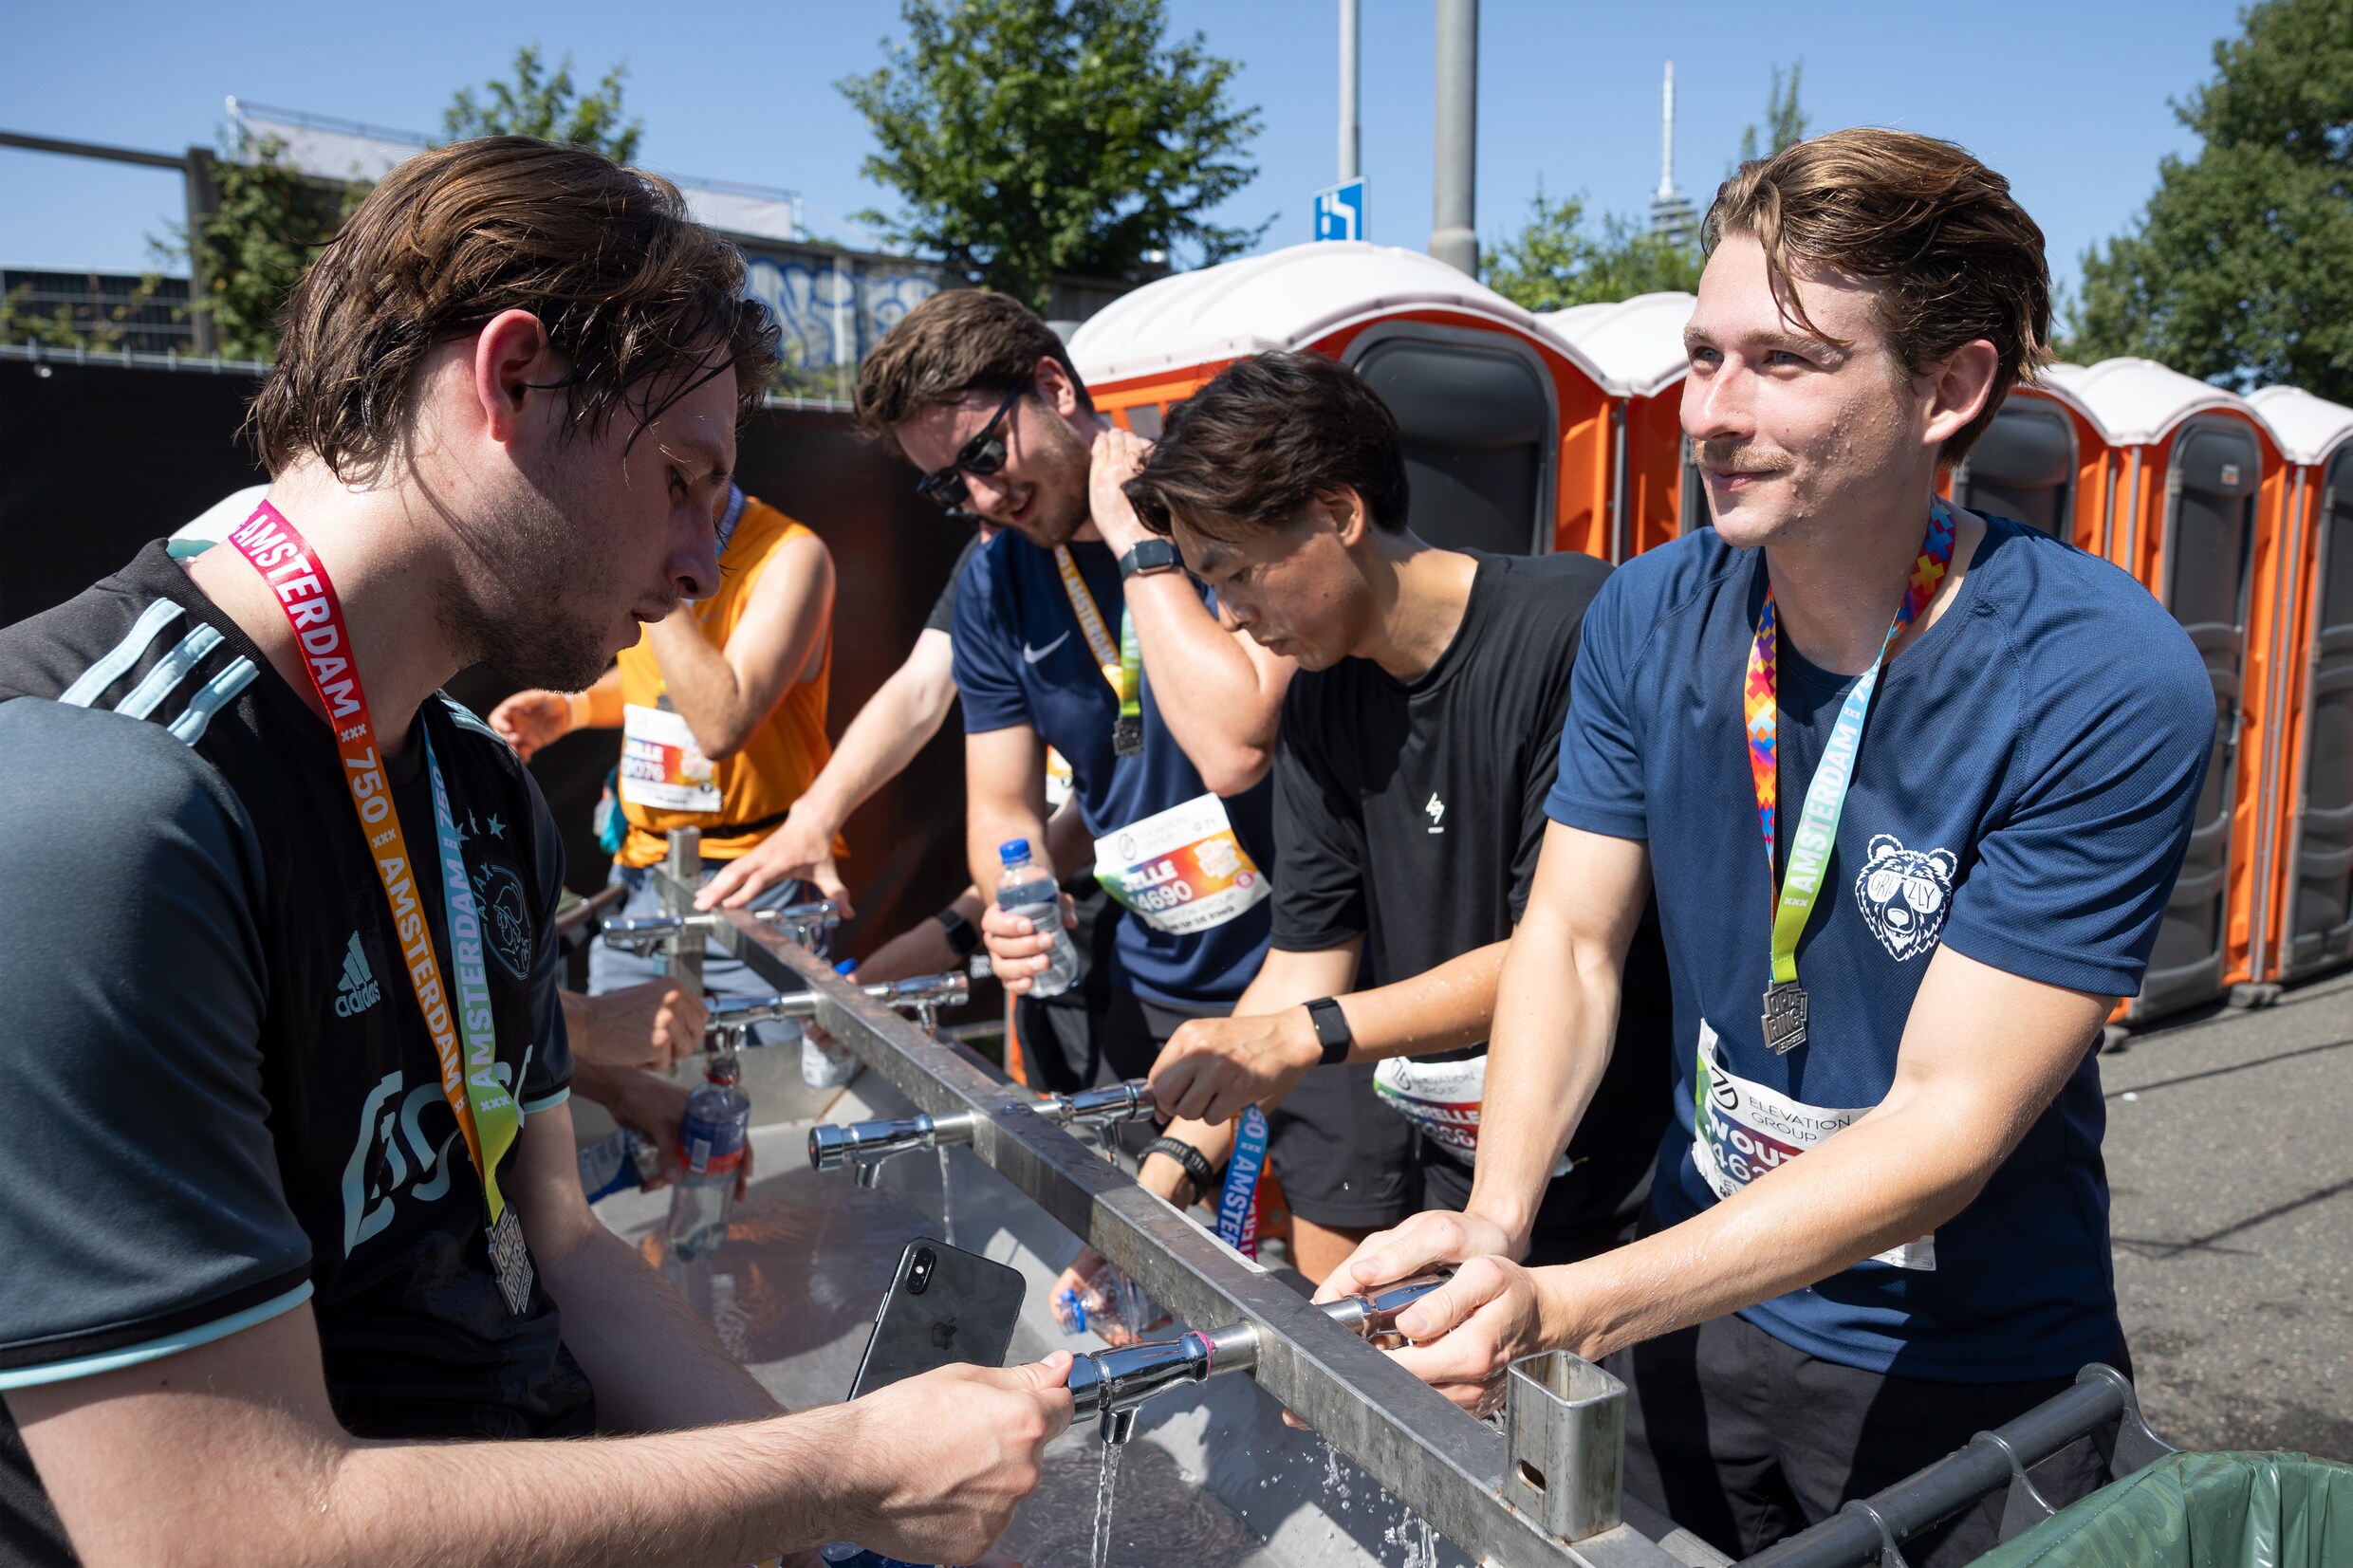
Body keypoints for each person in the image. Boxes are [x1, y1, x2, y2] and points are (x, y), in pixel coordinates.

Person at [0, 137, 1065, 1567]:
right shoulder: (90, 798)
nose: (701, 559)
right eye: (685, 477)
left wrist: (837, 1529)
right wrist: (841, 1471)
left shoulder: (476, 791)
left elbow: (553, 1249)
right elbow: (222, 1530)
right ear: (509, 382)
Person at [1318, 129, 2215, 1566]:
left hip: (1964, 1368)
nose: (1711, 411)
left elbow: (1944, 1130)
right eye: (1701, 352)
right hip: (1696, 1308)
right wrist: (1499, 1229)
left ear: (1952, 387)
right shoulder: (1652, 613)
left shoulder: (2101, 676)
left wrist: (1567, 1304)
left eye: (1782, 363)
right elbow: (1571, 938)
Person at [1125, 350, 1674, 1268]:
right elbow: (1305, 960)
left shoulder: (1573, 627)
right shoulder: (1318, 693)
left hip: (1619, 1185)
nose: (1224, 615)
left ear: (1337, 513)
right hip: (1453, 1180)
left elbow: (1562, 945)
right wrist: (1166, 1173)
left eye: (1233, 573)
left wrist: (1304, 1035)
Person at [490, 481, 841, 1048]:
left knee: (759, 1104)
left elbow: (720, 721)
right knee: (635, 1089)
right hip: (642, 874)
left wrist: (663, 571)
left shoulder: (790, 556)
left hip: (755, 886)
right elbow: (664, 687)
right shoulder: (644, 540)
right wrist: (571, 710)